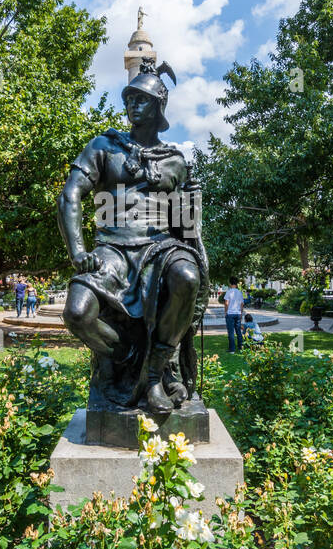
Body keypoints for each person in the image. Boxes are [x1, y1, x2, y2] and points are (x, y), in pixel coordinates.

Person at [58, 55, 208, 415]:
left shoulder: (175, 160)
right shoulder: (103, 146)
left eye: (140, 99)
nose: (131, 105)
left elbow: (185, 225)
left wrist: (193, 212)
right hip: (112, 249)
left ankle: (155, 376)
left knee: (187, 277)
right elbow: (70, 195)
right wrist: (78, 251)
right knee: (77, 314)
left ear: (158, 106)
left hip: (162, 247)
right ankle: (130, 360)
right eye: (128, 99)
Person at [224, 277, 245, 353]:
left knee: (231, 332)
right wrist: (241, 313)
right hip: (238, 313)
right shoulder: (240, 292)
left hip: (230, 313)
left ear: (230, 283)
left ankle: (232, 349)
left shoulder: (229, 292)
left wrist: (225, 312)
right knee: (238, 331)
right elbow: (242, 304)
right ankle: (241, 347)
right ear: (237, 284)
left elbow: (226, 303)